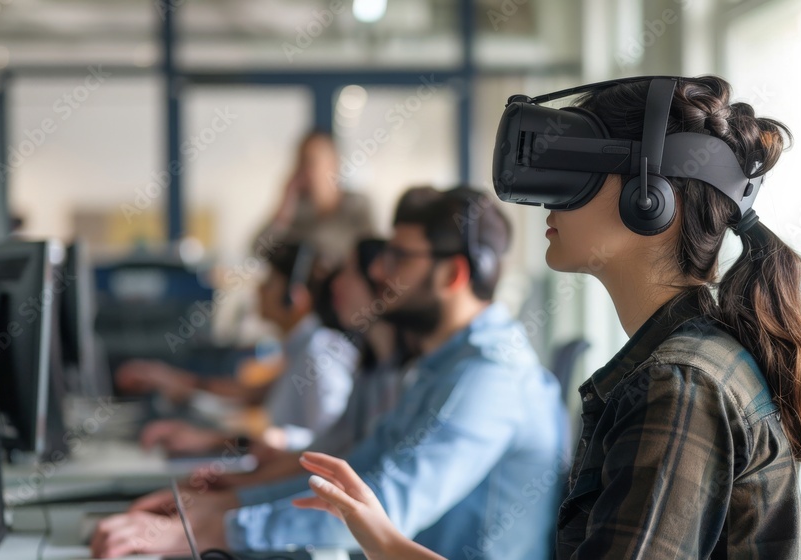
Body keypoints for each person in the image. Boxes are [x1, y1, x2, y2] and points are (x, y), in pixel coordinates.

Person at [288, 75, 801, 559]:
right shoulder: (688, 362)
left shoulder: (681, 385)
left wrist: (389, 544)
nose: (549, 201)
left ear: (651, 201)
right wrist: (386, 540)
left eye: (577, 176)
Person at [90, 186, 568, 560]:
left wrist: (214, 527)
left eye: (400, 258)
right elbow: (355, 474)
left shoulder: (489, 378)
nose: (381, 272)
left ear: (452, 276)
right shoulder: (443, 364)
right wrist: (223, 507)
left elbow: (383, 512)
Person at [129, 241, 358, 456]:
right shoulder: (301, 348)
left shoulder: (318, 355)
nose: (259, 291)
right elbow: (253, 394)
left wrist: (210, 440)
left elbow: (330, 441)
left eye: (269, 284)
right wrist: (179, 383)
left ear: (294, 298)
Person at [255, 130, 375, 270]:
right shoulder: (296, 210)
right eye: (300, 162)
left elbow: (370, 257)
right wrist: (285, 205)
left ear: (334, 163)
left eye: (312, 161)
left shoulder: (357, 206)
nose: (306, 169)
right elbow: (258, 250)